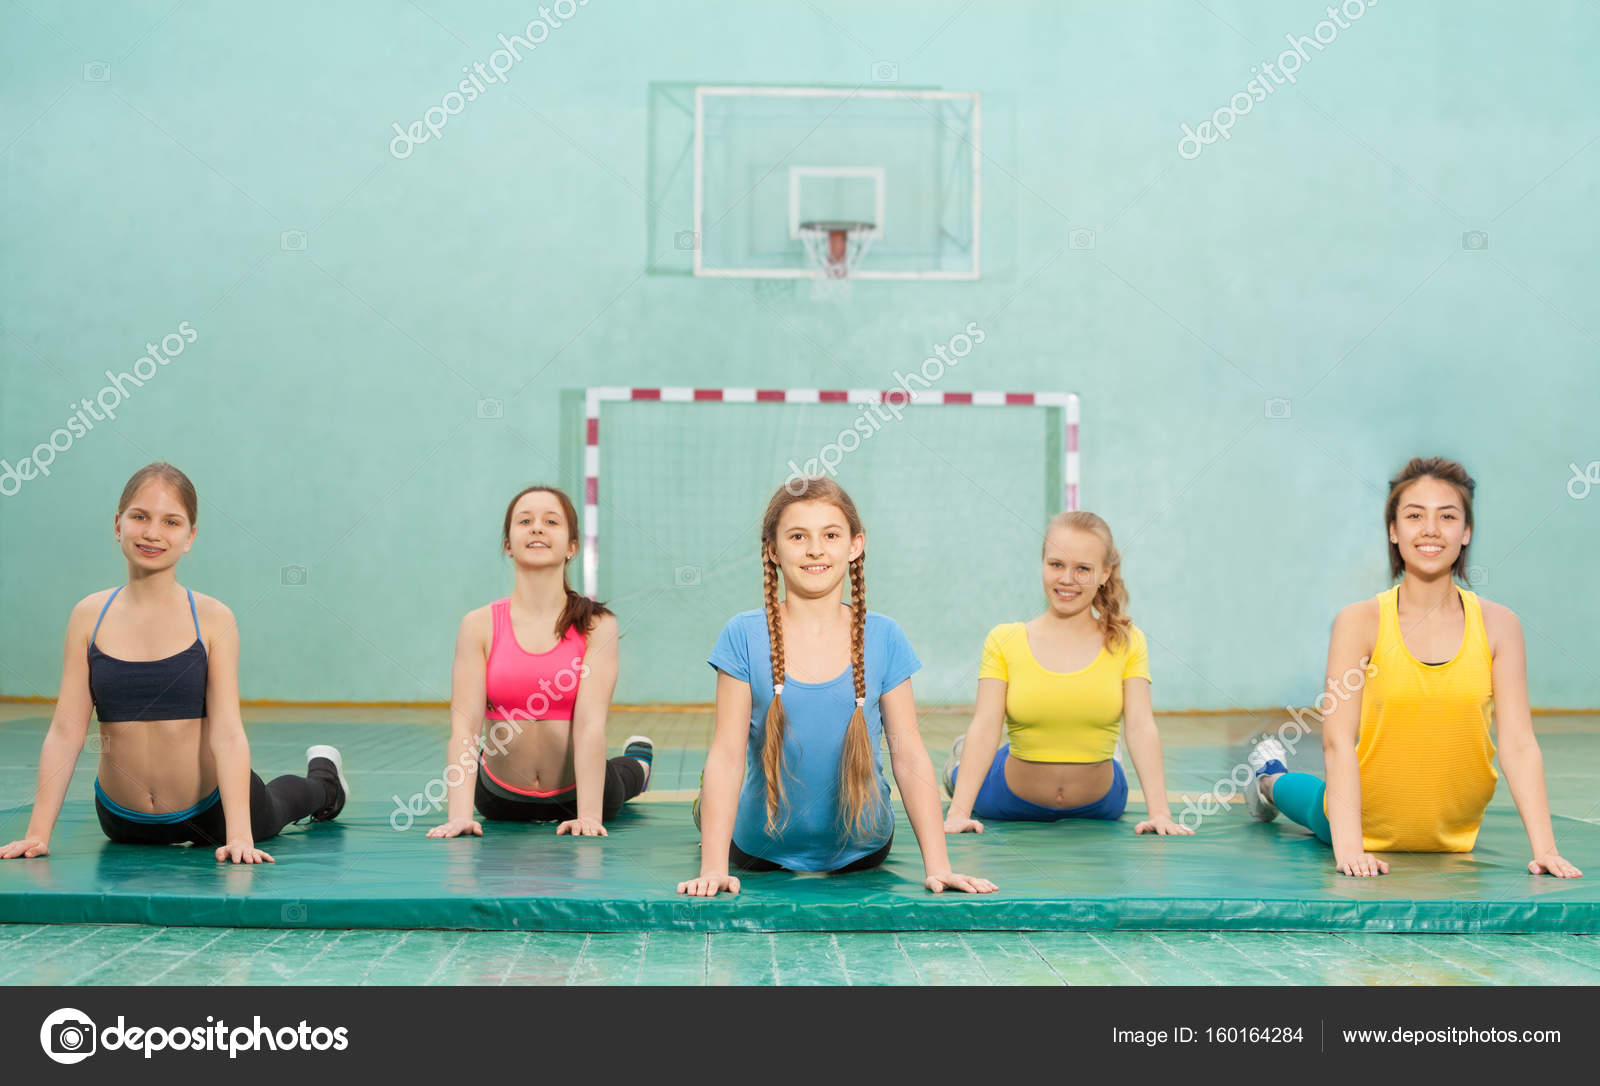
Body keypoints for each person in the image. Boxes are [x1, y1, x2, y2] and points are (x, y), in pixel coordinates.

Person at [1245, 457, 1582, 879]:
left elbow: (1518, 744)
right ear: (1393, 531)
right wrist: (1350, 850)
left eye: (1447, 516)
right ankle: (1268, 778)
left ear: (1466, 533)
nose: (1430, 529)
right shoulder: (1359, 621)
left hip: (1451, 835)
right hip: (1357, 824)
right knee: (1318, 803)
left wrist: (1546, 850)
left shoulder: (1500, 626)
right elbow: (1337, 741)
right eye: (1414, 515)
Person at [0, 462, 346, 865]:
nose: (152, 533)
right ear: (118, 525)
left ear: (189, 537)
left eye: (171, 522)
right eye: (140, 517)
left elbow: (228, 733)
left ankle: (325, 780)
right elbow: (65, 731)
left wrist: (239, 836)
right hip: (123, 820)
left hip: (210, 811)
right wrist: (37, 834)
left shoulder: (213, 618)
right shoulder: (88, 616)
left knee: (279, 802)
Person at [678, 476, 995, 897]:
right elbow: (728, 753)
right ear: (772, 550)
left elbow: (909, 753)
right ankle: (708, 813)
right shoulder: (742, 634)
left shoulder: (884, 635)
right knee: (720, 786)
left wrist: (939, 866)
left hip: (862, 849)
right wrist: (714, 867)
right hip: (758, 849)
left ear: (855, 545)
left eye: (830, 535)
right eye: (797, 536)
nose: (815, 549)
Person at [942, 511, 1190, 837]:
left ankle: (1102, 746)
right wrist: (959, 812)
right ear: (1042, 564)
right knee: (975, 763)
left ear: (1105, 573)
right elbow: (987, 726)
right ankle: (958, 766)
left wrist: (1160, 813)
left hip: (1102, 804)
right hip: (1006, 798)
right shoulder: (1004, 640)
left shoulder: (1127, 641)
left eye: (1083, 569)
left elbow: (1142, 727)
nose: (1067, 579)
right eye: (1056, 564)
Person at [427, 485, 651, 839]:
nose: (536, 528)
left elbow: (590, 725)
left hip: (579, 795)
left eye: (551, 521)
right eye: (525, 520)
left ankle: (639, 761)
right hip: (501, 798)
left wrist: (589, 816)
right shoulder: (478, 625)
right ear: (508, 545)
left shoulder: (598, 626)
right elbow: (464, 730)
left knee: (624, 776)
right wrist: (458, 816)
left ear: (572, 547)